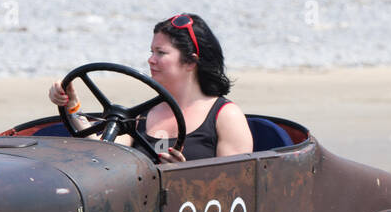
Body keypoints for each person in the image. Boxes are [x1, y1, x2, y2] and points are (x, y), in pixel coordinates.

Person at [48, 13, 254, 162]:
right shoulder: (141, 116)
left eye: (160, 53)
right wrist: (72, 106)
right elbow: (105, 154)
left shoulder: (226, 116)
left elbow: (235, 187)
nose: (150, 60)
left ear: (191, 62)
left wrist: (185, 177)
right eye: (151, 51)